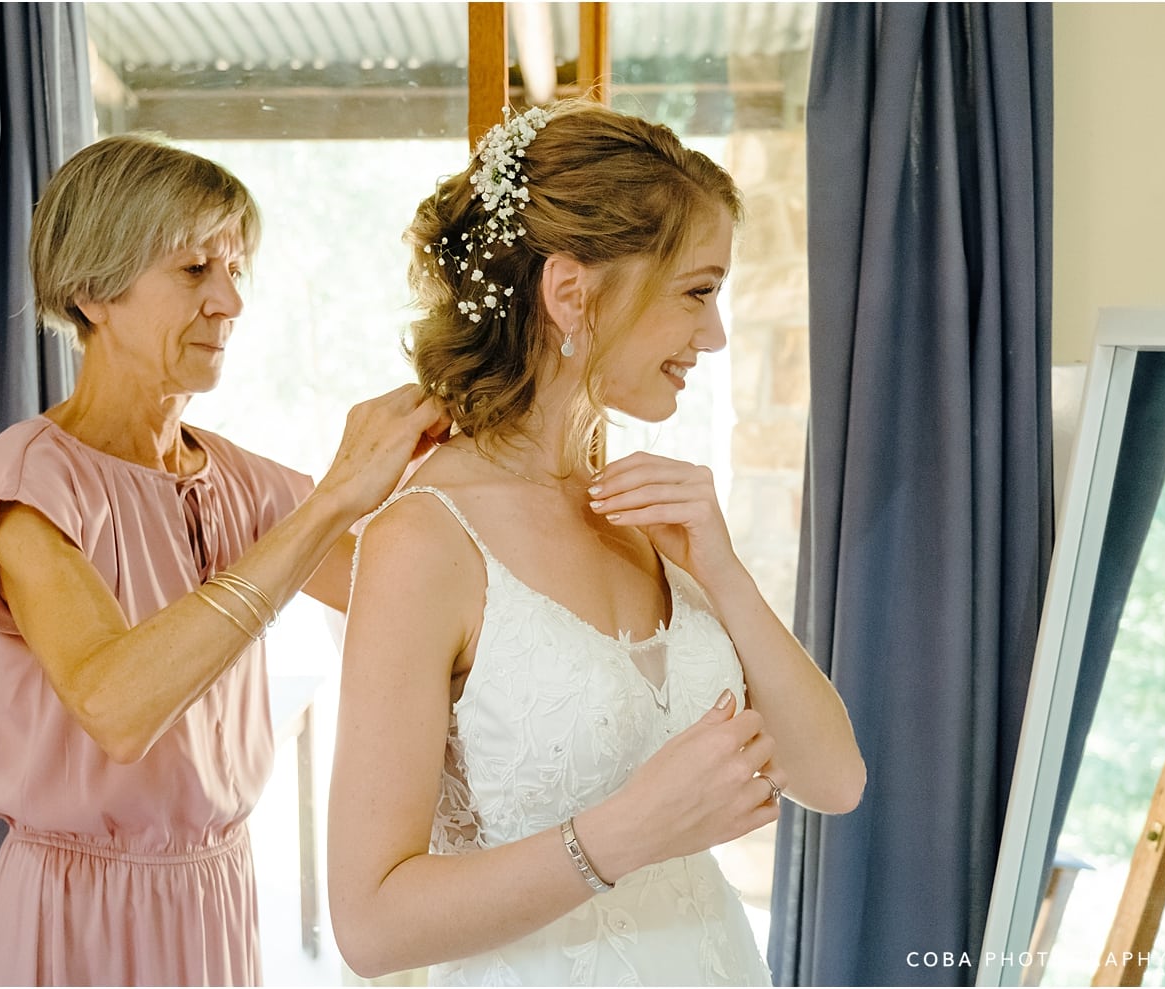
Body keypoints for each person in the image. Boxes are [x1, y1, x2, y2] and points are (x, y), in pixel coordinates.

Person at [327, 100, 866, 987]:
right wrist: (627, 832)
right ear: (572, 292)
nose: (714, 334)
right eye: (697, 291)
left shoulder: (650, 510)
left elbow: (833, 779)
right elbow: (370, 923)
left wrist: (722, 573)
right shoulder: (425, 539)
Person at [0, 132, 449, 986]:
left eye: (235, 271)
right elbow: (116, 704)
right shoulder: (25, 483)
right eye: (193, 271)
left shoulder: (244, 482)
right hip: (77, 910)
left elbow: (415, 597)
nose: (230, 301)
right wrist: (334, 495)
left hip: (218, 893)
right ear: (92, 291)